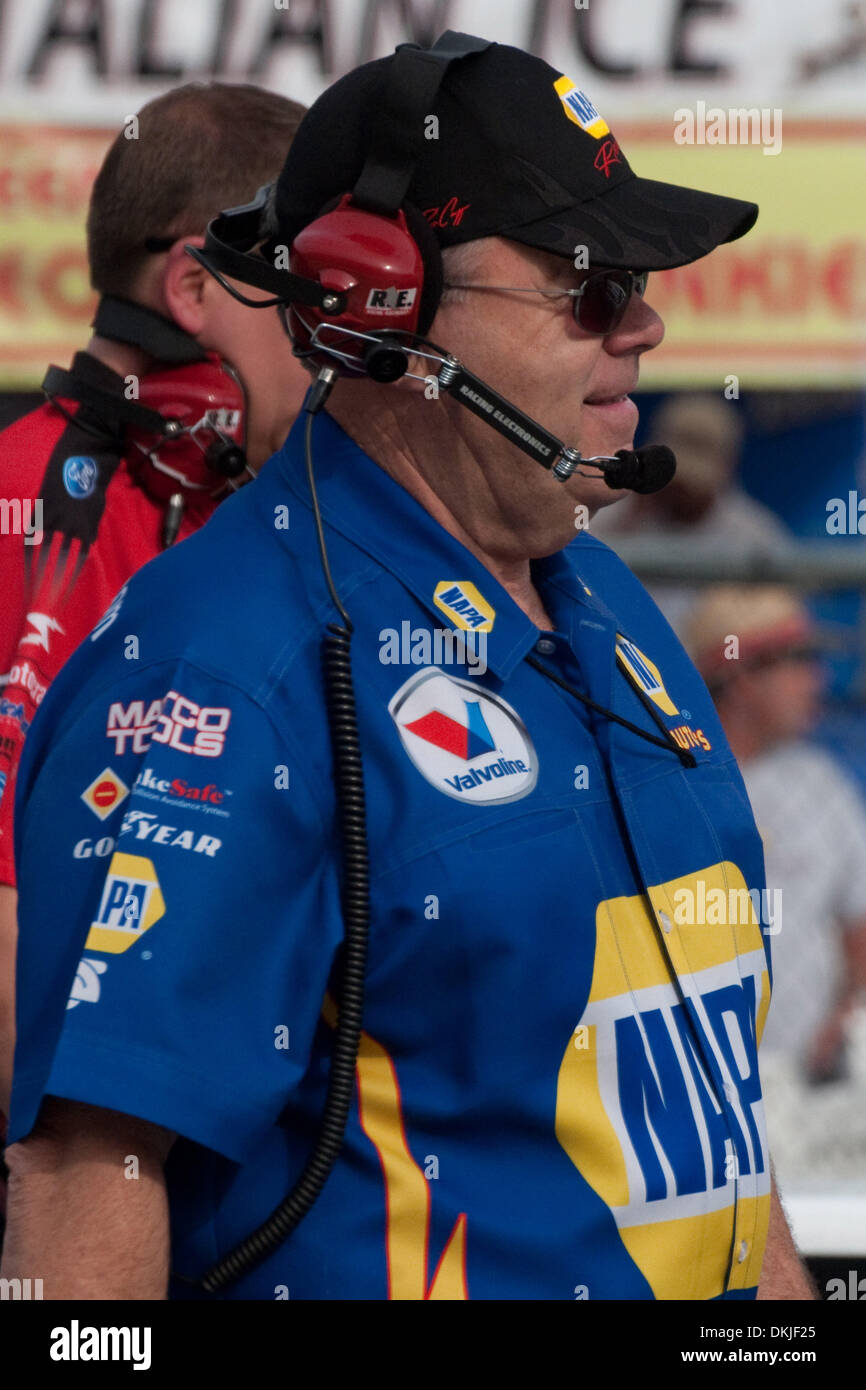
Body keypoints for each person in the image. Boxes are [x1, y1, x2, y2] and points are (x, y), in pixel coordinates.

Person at [2, 35, 813, 1300]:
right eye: (589, 287)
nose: (645, 325)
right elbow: (85, 1182)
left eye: (643, 283)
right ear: (380, 306)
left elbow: (708, 1130)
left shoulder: (607, 602)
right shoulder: (225, 668)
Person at [0, 82, 310, 1120]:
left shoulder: (270, 513)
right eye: (309, 290)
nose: (341, 340)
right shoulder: (28, 512)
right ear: (192, 287)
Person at [683, 585, 866, 1185]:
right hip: (692, 1090)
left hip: (810, 1088)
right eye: (798, 662)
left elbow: (859, 928)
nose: (818, 680)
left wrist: (843, 1020)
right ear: (740, 675)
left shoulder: (820, 779)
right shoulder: (669, 785)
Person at [592, 393, 793, 633]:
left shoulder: (754, 536)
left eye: (692, 481)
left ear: (728, 466)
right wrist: (629, 519)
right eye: (674, 479)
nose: (681, 490)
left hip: (712, 667)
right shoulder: (611, 513)